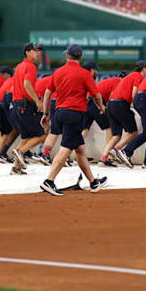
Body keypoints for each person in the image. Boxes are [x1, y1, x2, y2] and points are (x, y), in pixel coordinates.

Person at [40, 44, 108, 197]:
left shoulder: (58, 72)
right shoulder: (85, 74)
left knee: (80, 149)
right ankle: (49, 181)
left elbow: (47, 93)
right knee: (66, 148)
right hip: (74, 114)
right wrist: (101, 107)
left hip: (59, 112)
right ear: (81, 57)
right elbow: (96, 95)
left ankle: (92, 182)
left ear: (67, 56)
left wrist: (45, 113)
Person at [9, 43, 46, 175]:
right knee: (41, 136)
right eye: (35, 51)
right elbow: (26, 84)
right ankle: (20, 152)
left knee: (25, 138)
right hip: (25, 105)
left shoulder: (20, 66)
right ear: (27, 52)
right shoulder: (30, 66)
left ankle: (16, 167)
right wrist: (37, 101)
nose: (37, 53)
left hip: (16, 105)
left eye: (38, 51)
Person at [105, 61, 146, 167]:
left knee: (116, 134)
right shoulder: (138, 76)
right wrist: (135, 104)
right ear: (143, 69)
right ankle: (118, 150)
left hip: (111, 104)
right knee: (133, 132)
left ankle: (105, 157)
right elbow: (134, 92)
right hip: (121, 104)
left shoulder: (129, 76)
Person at [0, 73, 17, 163]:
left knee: (4, 129)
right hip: (1, 105)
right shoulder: (19, 81)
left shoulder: (9, 80)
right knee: (7, 131)